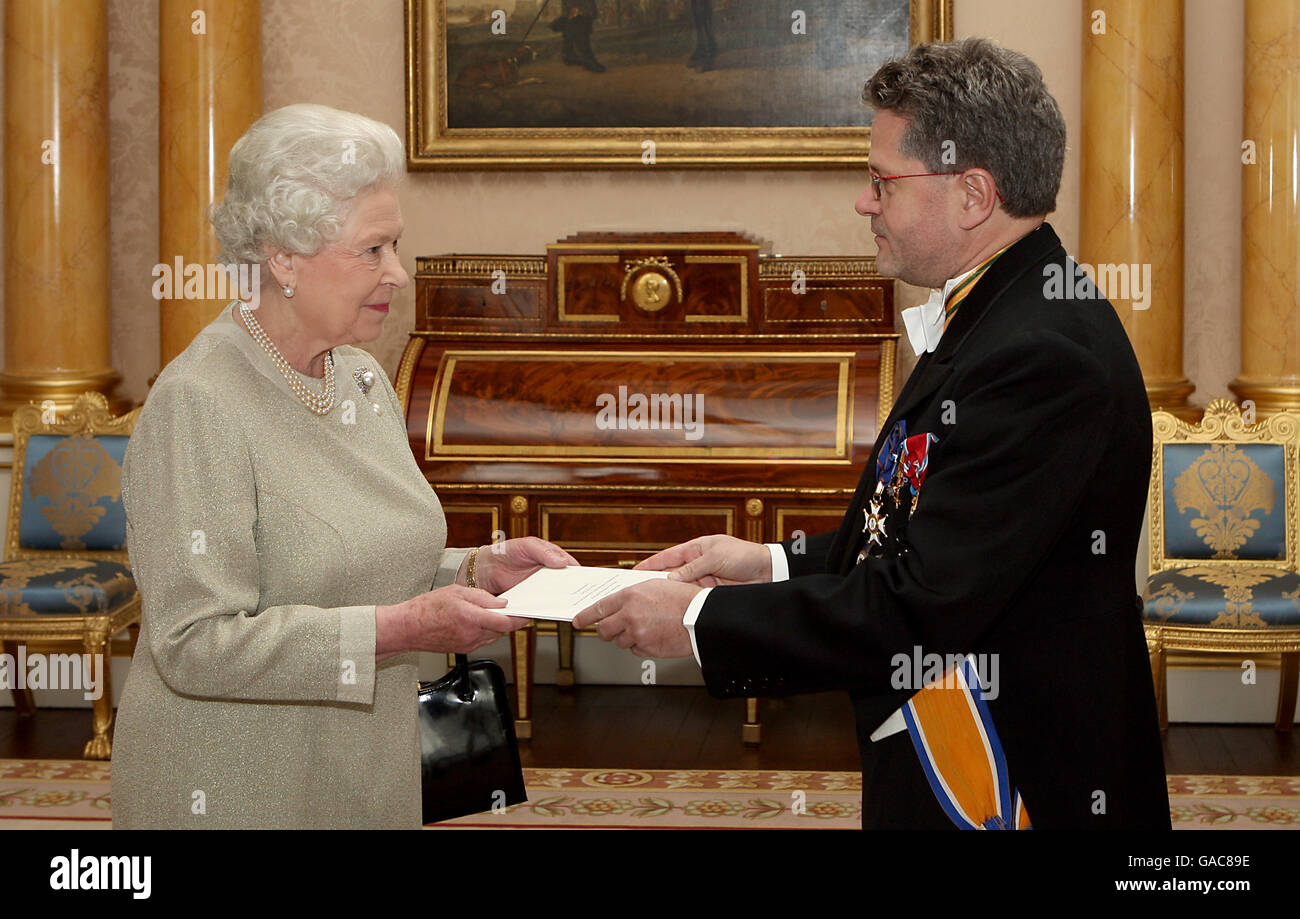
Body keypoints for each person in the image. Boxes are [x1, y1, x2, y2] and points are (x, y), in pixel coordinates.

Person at [575, 38, 1171, 829]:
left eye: (882, 181)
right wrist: (771, 561)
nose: (865, 202)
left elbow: (918, 604)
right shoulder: (998, 307)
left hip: (1013, 776)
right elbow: (929, 527)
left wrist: (692, 622)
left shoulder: (1040, 353)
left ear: (972, 194)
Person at [111, 103, 575, 829]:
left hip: (366, 777)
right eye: (372, 250)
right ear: (283, 256)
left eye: (395, 246)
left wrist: (473, 572)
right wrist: (402, 628)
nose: (397, 273)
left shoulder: (359, 378)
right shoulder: (197, 404)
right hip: (239, 789)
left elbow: (363, 555)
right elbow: (193, 642)